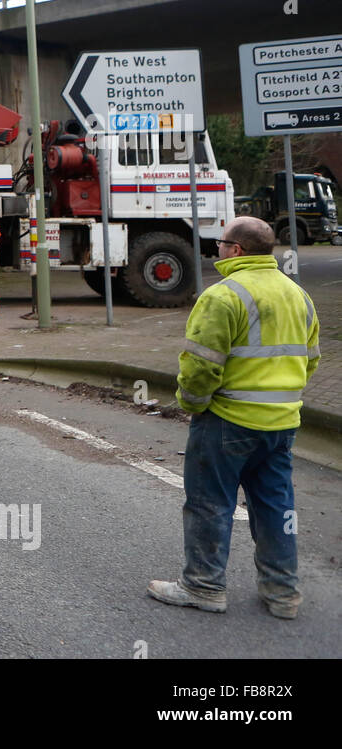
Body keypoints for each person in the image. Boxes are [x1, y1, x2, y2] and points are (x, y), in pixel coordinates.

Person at [148, 216, 319, 620]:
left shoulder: (222, 296)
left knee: (210, 503)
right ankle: (282, 593)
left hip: (227, 420)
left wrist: (192, 404)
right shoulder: (300, 296)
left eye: (221, 242)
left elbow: (200, 367)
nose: (217, 249)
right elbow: (311, 361)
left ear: (236, 249)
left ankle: (203, 586)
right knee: (276, 506)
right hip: (281, 426)